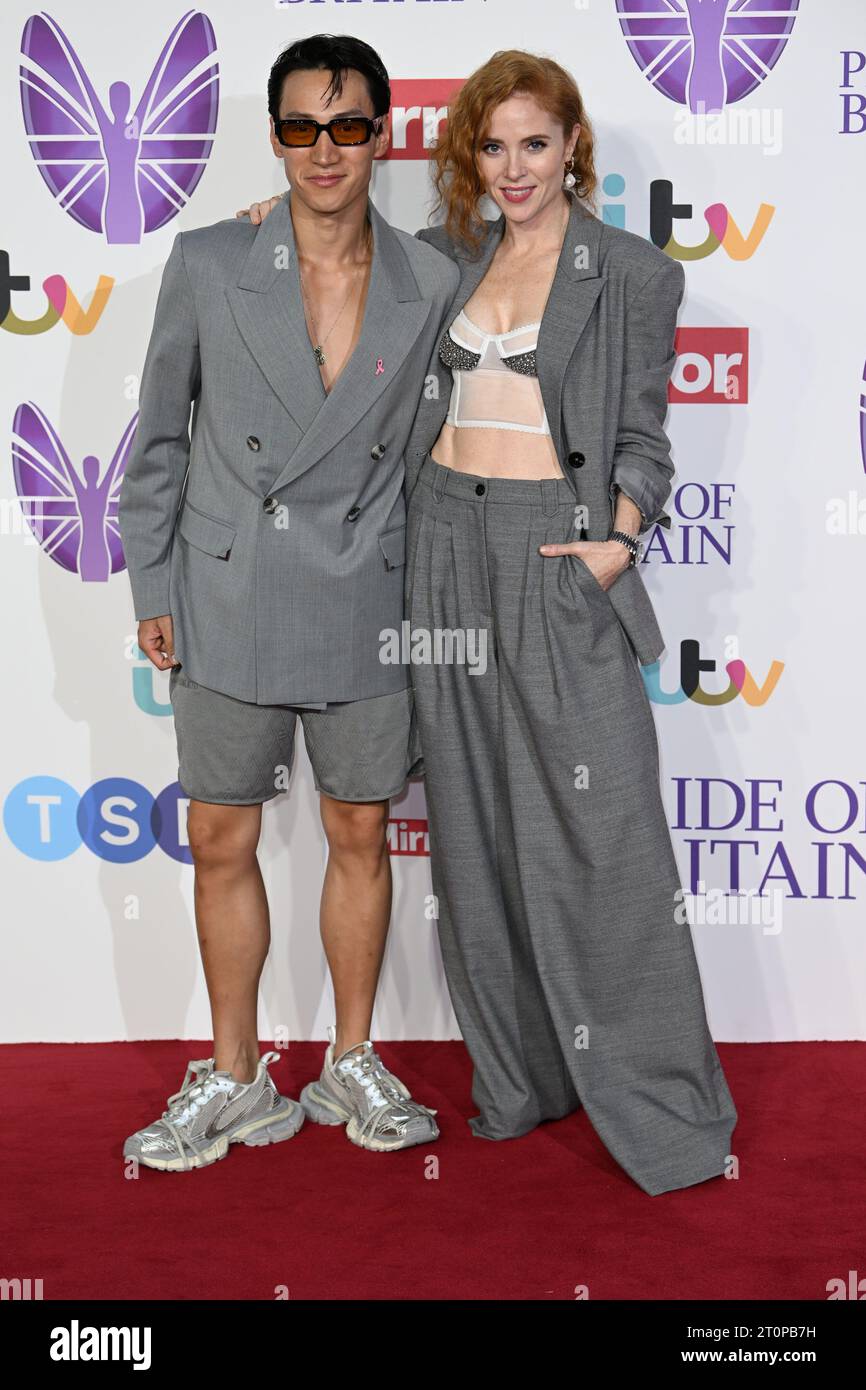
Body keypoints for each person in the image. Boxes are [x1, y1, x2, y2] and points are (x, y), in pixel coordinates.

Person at [240, 49, 738, 1197]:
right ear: (469, 155)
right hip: (440, 548)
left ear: (571, 148)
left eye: (533, 142)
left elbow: (646, 437)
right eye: (491, 145)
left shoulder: (631, 274)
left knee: (602, 839)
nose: (512, 167)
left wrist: (619, 536)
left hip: (554, 554)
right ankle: (519, 1080)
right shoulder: (443, 264)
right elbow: (335, 252)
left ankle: (659, 1102)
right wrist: (271, 225)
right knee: (471, 827)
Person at [118, 34, 459, 1171]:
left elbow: (423, 459)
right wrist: (154, 580)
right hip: (226, 590)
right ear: (274, 136)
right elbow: (158, 437)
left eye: (350, 125)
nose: (326, 150)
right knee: (220, 834)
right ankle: (233, 1073)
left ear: (380, 136)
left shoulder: (430, 280)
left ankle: (348, 1059)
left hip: (364, 592)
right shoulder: (211, 261)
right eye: (303, 127)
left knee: (359, 828)